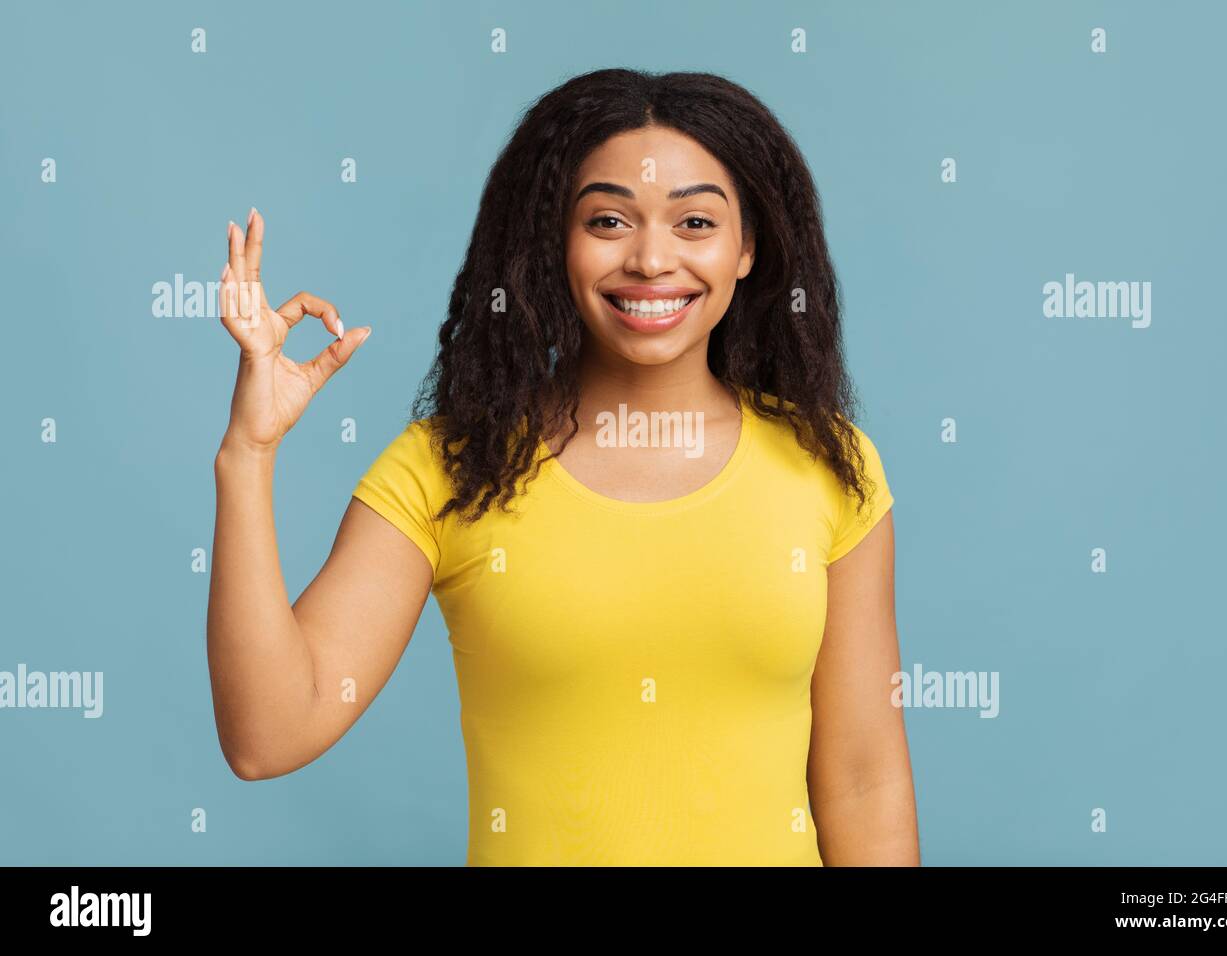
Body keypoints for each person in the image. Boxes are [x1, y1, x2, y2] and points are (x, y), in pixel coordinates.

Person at [207, 68, 919, 866]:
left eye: (695, 222)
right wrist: (248, 453)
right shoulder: (451, 469)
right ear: (555, 241)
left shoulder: (828, 466)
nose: (652, 259)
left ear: (747, 248)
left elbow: (865, 782)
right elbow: (267, 736)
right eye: (609, 220)